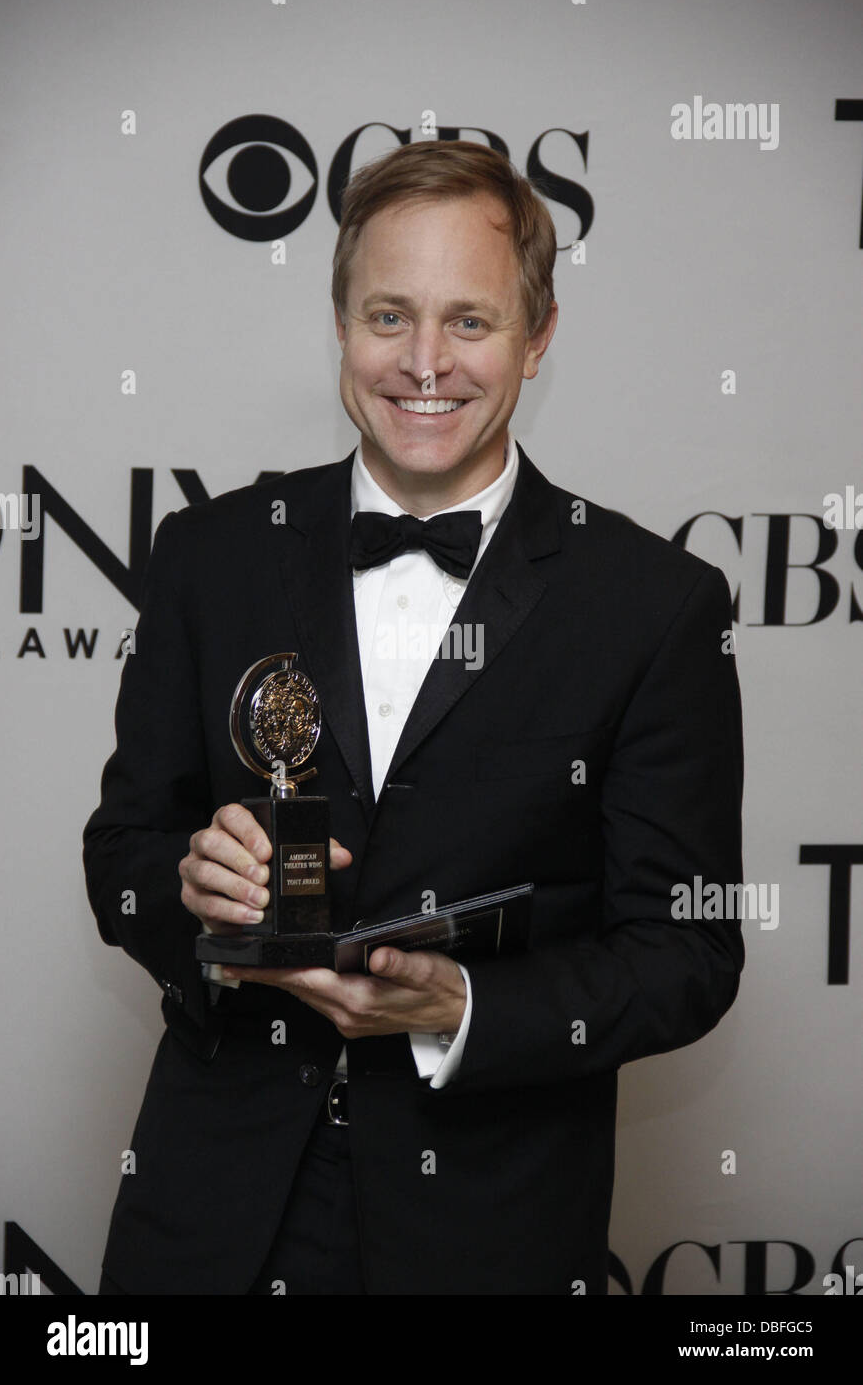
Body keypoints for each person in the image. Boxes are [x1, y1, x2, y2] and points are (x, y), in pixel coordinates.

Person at [83, 139, 744, 1296]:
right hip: (208, 1219)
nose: (423, 363)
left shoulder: (652, 604)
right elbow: (121, 856)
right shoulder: (208, 556)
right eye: (388, 316)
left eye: (469, 323)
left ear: (537, 338)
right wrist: (193, 892)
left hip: (487, 1232)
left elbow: (685, 950)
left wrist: (464, 1007)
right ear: (339, 323)